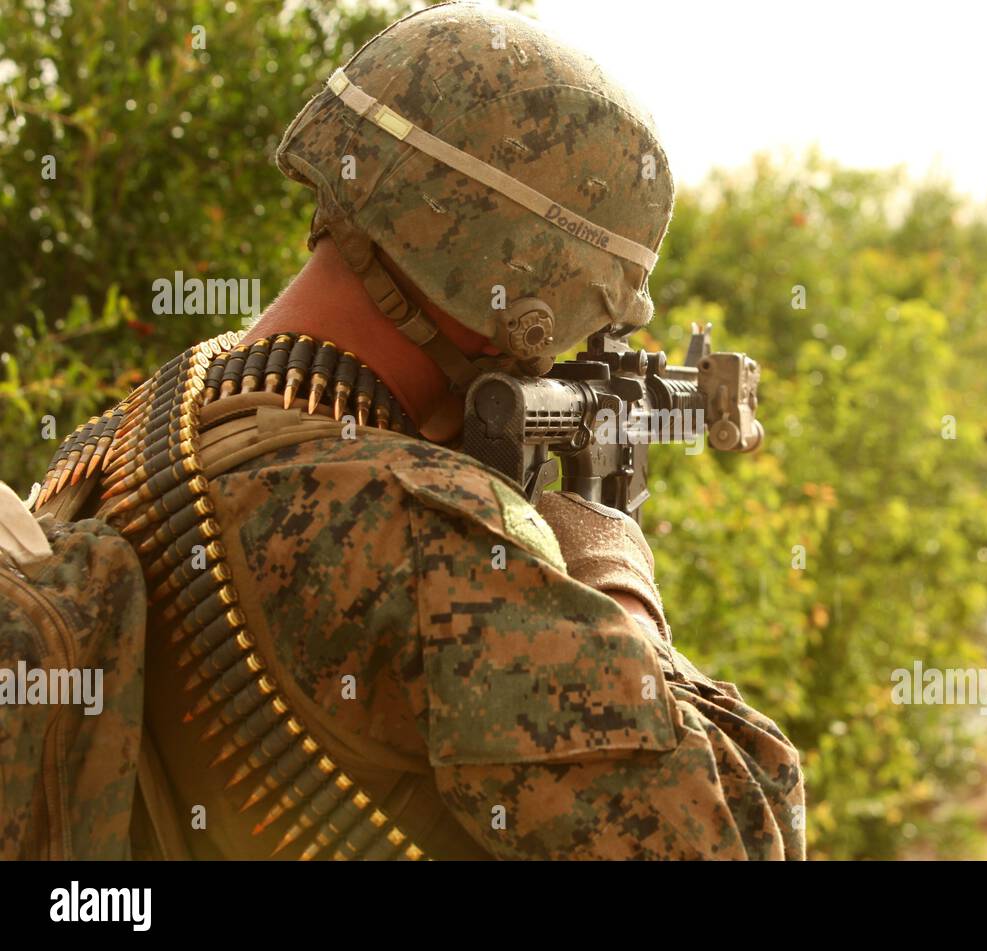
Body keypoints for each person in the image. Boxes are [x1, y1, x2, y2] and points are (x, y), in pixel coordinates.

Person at [33, 2, 804, 860]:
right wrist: (611, 564)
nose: (573, 356)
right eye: (584, 328)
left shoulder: (117, 438)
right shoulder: (426, 535)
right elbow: (737, 831)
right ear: (520, 284)